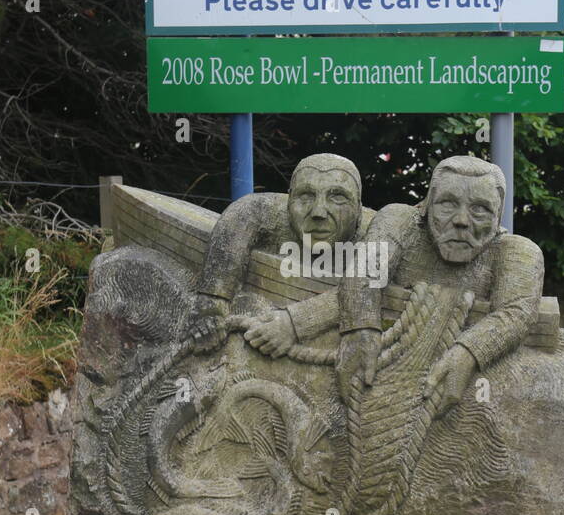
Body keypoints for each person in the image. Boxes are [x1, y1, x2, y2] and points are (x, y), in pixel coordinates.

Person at [336, 155, 543, 411]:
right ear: (426, 204)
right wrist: (360, 329)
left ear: (498, 215)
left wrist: (466, 353)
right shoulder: (399, 221)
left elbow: (516, 314)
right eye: (447, 203)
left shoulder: (516, 252)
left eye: (480, 209)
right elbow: (363, 273)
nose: (461, 220)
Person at [193, 153, 372, 355]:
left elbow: (371, 290)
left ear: (358, 207)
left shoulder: (374, 235)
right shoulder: (265, 212)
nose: (318, 212)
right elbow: (241, 215)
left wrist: (294, 324)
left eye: (337, 197)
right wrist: (212, 304)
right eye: (305, 196)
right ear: (288, 201)